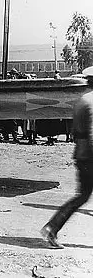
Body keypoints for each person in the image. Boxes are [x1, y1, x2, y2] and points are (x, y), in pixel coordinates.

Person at [41, 66, 93, 248]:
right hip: (90, 157)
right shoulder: (92, 101)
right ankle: (52, 228)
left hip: (81, 154)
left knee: (82, 196)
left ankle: (52, 228)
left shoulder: (81, 100)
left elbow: (74, 131)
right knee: (82, 196)